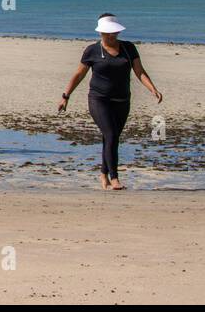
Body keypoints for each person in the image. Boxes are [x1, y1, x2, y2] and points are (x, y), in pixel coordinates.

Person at [58, 13, 163, 191]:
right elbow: (79, 75)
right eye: (107, 33)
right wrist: (65, 96)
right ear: (101, 33)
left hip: (122, 100)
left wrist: (152, 89)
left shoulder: (129, 49)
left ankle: (103, 174)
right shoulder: (92, 51)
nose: (111, 36)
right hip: (99, 100)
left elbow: (139, 71)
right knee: (112, 135)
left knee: (111, 138)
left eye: (114, 33)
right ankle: (114, 178)